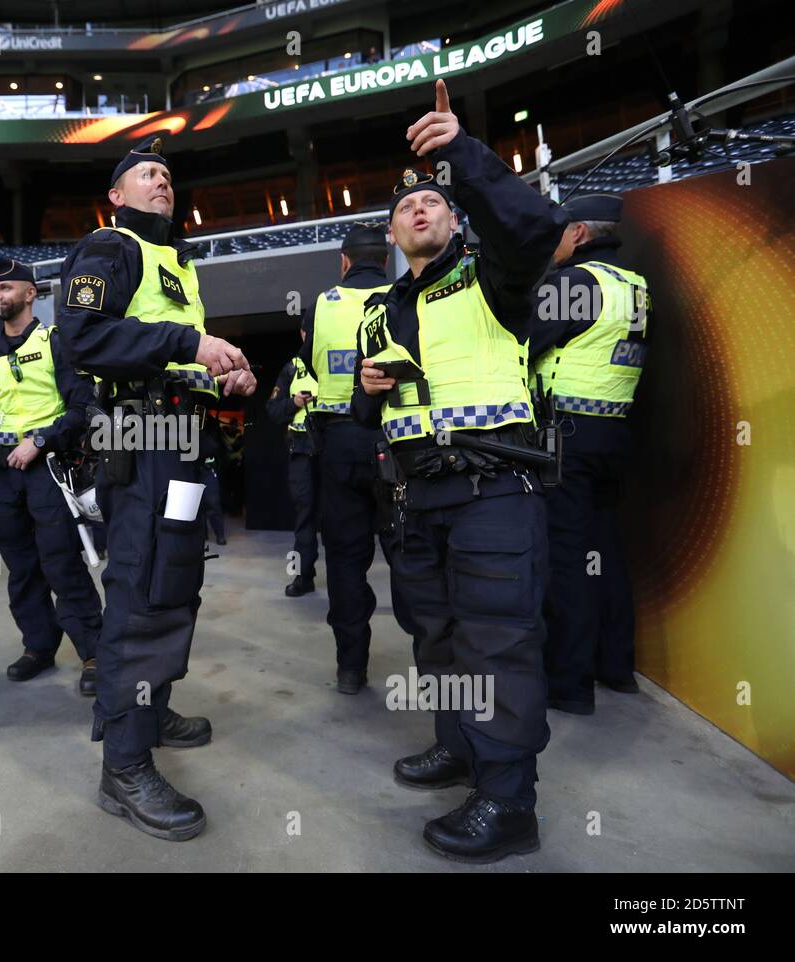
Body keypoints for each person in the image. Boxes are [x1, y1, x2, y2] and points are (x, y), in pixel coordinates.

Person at [357, 80, 568, 862]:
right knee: (437, 641)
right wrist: (364, 390)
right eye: (405, 207)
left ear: (454, 219)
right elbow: (362, 413)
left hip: (492, 492)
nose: (419, 209)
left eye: (432, 203)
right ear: (390, 231)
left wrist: (461, 154)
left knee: (496, 645)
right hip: (417, 501)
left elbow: (535, 225)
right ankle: (459, 747)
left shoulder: (494, 278)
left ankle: (510, 804)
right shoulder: (382, 308)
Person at [59, 135, 256, 841]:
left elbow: (169, 355)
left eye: (167, 175)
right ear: (116, 196)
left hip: (178, 435)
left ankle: (149, 703)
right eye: (146, 174)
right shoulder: (107, 247)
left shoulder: (178, 264)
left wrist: (219, 372)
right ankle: (124, 763)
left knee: (173, 582)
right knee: (141, 591)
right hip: (135, 439)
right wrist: (187, 346)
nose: (161, 182)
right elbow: (83, 340)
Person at [0, 259, 102, 692]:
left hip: (48, 470)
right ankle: (38, 646)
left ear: (30, 293)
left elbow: (81, 409)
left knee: (61, 562)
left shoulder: (56, 342)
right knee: (20, 567)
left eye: (7, 288)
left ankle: (93, 652)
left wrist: (40, 441)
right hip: (1, 475)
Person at [529, 193, 650, 712]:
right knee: (607, 551)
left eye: (558, 233)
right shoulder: (635, 285)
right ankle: (616, 667)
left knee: (568, 557)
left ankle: (569, 684)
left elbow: (525, 342)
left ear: (577, 233)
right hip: (614, 432)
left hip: (567, 436)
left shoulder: (575, 283)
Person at [298, 224, 392, 690]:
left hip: (339, 444)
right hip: (399, 443)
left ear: (344, 261)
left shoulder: (320, 306)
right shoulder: (408, 298)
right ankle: (437, 660)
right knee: (411, 554)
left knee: (345, 560)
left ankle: (351, 667)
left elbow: (310, 367)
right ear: (387, 259)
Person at [266, 330, 321, 596]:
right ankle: (303, 576)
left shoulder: (339, 362)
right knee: (305, 517)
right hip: (302, 453)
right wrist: (295, 402)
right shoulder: (292, 368)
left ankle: (347, 578)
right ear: (301, 334)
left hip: (335, 450)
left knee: (344, 516)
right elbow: (273, 410)